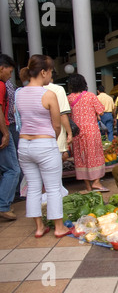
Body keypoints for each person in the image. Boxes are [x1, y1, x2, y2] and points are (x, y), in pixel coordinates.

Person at [16, 54, 72, 238]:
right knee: (53, 187)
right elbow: (56, 124)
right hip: (44, 144)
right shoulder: (48, 94)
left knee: (33, 187)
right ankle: (59, 227)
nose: (50, 76)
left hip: (24, 145)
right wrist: (52, 138)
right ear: (43, 72)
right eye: (50, 72)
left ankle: (39, 228)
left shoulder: (19, 93)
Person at [67, 74, 108, 192]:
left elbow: (68, 115)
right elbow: (101, 111)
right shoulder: (90, 96)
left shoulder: (69, 98)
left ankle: (88, 186)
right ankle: (97, 182)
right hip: (91, 131)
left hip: (77, 133)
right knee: (94, 155)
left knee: (81, 158)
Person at [0, 54, 20, 220]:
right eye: (9, 71)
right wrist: (5, 132)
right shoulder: (0, 85)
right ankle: (3, 205)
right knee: (13, 169)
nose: (9, 75)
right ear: (2, 68)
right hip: (3, 130)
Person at [44, 70, 73, 161]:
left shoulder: (25, 91)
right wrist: (69, 132)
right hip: (55, 137)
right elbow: (62, 115)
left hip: (35, 141)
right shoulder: (58, 90)